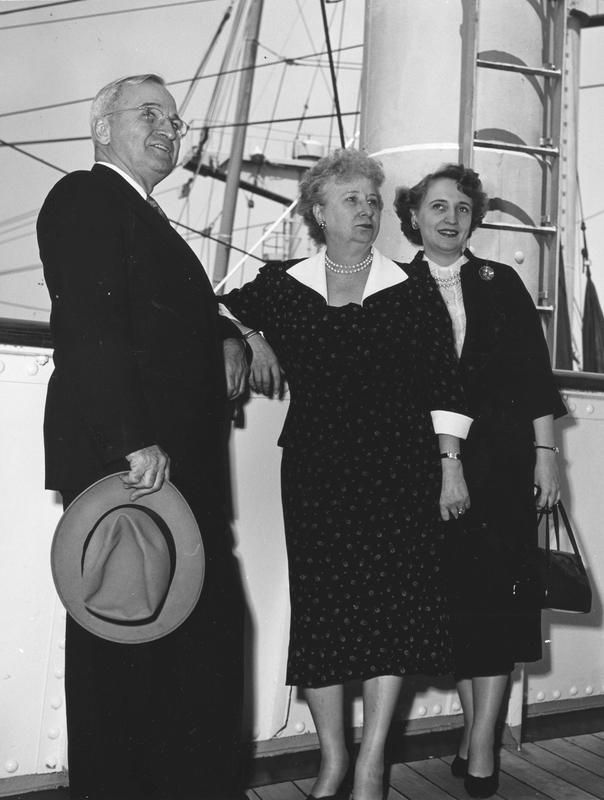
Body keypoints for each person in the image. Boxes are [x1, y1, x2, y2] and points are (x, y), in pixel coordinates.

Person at [220, 148, 472, 800]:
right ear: (319, 212)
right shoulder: (284, 284)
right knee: (324, 613)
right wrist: (251, 337)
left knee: (388, 614)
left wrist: (450, 468)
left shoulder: (410, 291)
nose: (366, 210)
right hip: (317, 469)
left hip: (400, 468)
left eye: (371, 199)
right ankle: (334, 759)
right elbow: (211, 306)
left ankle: (371, 764)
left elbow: (446, 384)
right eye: (351, 200)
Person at [37, 74, 249, 800]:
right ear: (103, 129)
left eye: (175, 120)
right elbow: (89, 329)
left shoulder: (144, 216)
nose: (168, 129)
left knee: (181, 651)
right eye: (148, 114)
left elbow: (171, 310)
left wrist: (229, 333)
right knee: (123, 647)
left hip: (169, 469)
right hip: (134, 466)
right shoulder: (86, 196)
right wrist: (133, 440)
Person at [394, 163, 567, 799]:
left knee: (497, 604)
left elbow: (533, 377)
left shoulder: (502, 282)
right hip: (425, 467)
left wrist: (546, 453)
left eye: (461, 209)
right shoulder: (394, 287)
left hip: (502, 465)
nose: (449, 219)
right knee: (454, 607)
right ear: (413, 216)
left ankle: (484, 744)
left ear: (474, 219)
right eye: (436, 207)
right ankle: (474, 735)